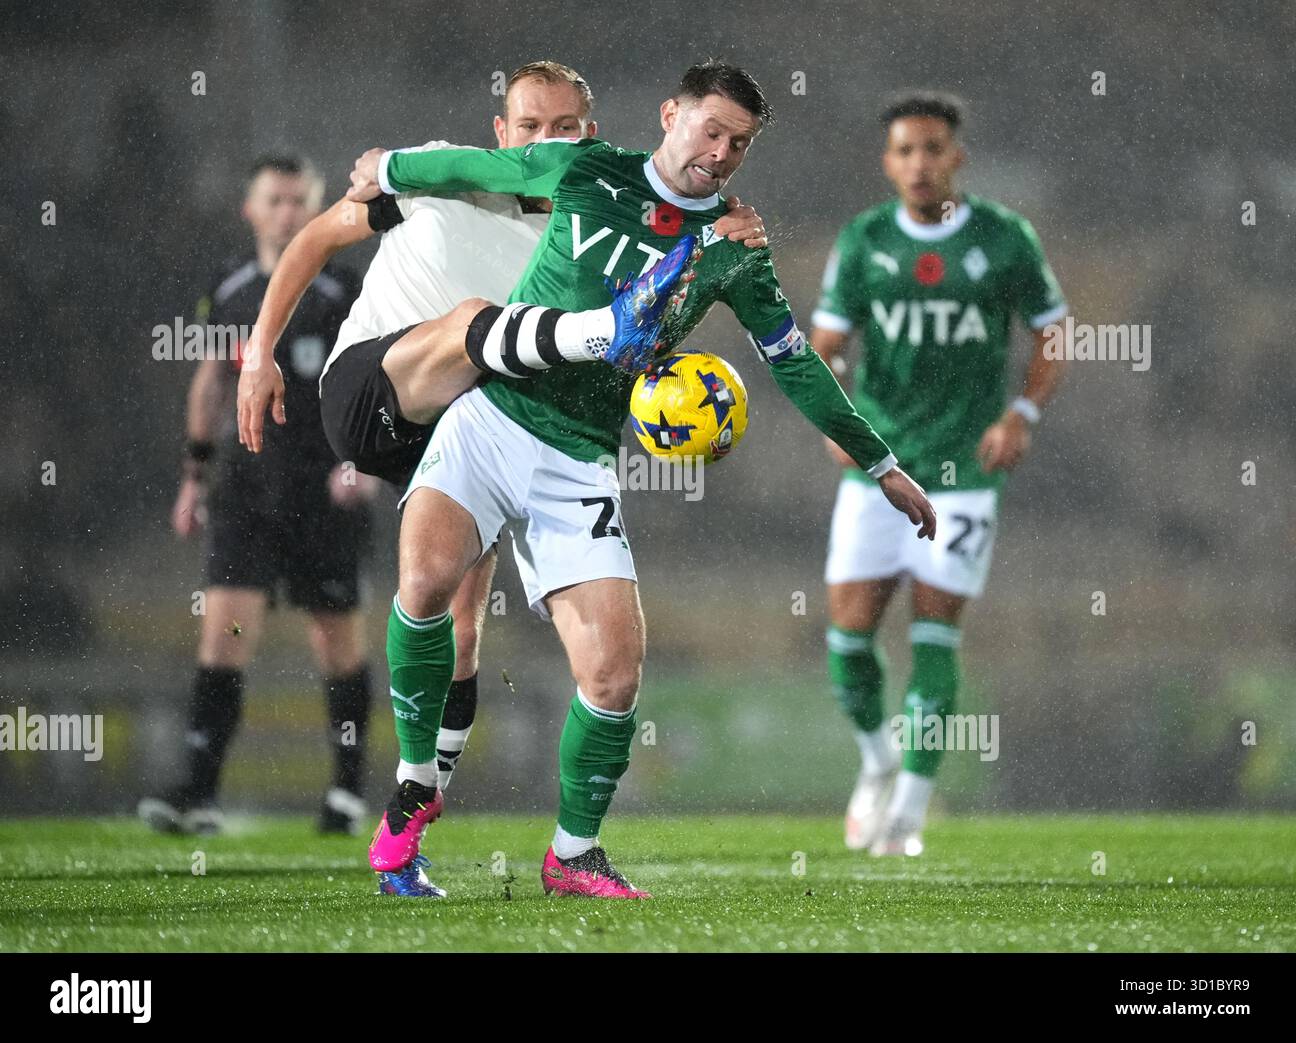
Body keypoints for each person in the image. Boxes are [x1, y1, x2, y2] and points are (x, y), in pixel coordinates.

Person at [344, 60, 936, 898]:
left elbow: (797, 365)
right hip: (491, 415)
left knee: (615, 675)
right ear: (671, 115)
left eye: (739, 142)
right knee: (424, 584)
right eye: (711, 129)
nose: (722, 152)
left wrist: (881, 463)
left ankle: (572, 852)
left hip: (580, 455)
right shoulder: (590, 168)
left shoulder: (735, 252)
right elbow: (478, 168)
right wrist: (390, 168)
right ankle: (413, 784)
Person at [235, 62, 769, 895]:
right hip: (376, 388)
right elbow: (315, 239)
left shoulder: (594, 216)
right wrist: (259, 352)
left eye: (566, 127)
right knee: (472, 322)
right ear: (500, 133)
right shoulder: (446, 174)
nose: (546, 140)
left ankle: (412, 812)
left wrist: (708, 248)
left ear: (588, 135)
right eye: (530, 125)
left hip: (463, 420)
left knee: (458, 625)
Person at [810, 91, 1068, 855]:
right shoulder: (862, 242)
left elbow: (1055, 329)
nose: (919, 163)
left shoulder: (1004, 238)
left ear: (957, 156)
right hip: (879, 471)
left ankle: (910, 813)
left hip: (963, 476)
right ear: (887, 162)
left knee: (934, 637)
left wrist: (1022, 413)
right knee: (847, 641)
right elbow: (824, 343)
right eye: (905, 151)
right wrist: (837, 415)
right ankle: (877, 761)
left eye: (932, 149)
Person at [139, 154, 372, 836]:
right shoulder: (233, 286)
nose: (289, 212)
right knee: (225, 636)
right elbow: (211, 382)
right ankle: (199, 792)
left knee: (337, 645)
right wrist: (194, 476)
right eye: (275, 199)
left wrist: (360, 461)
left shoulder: (342, 288)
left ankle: (348, 793)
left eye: (300, 200)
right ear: (251, 208)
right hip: (247, 492)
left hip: (323, 492)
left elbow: (368, 378)